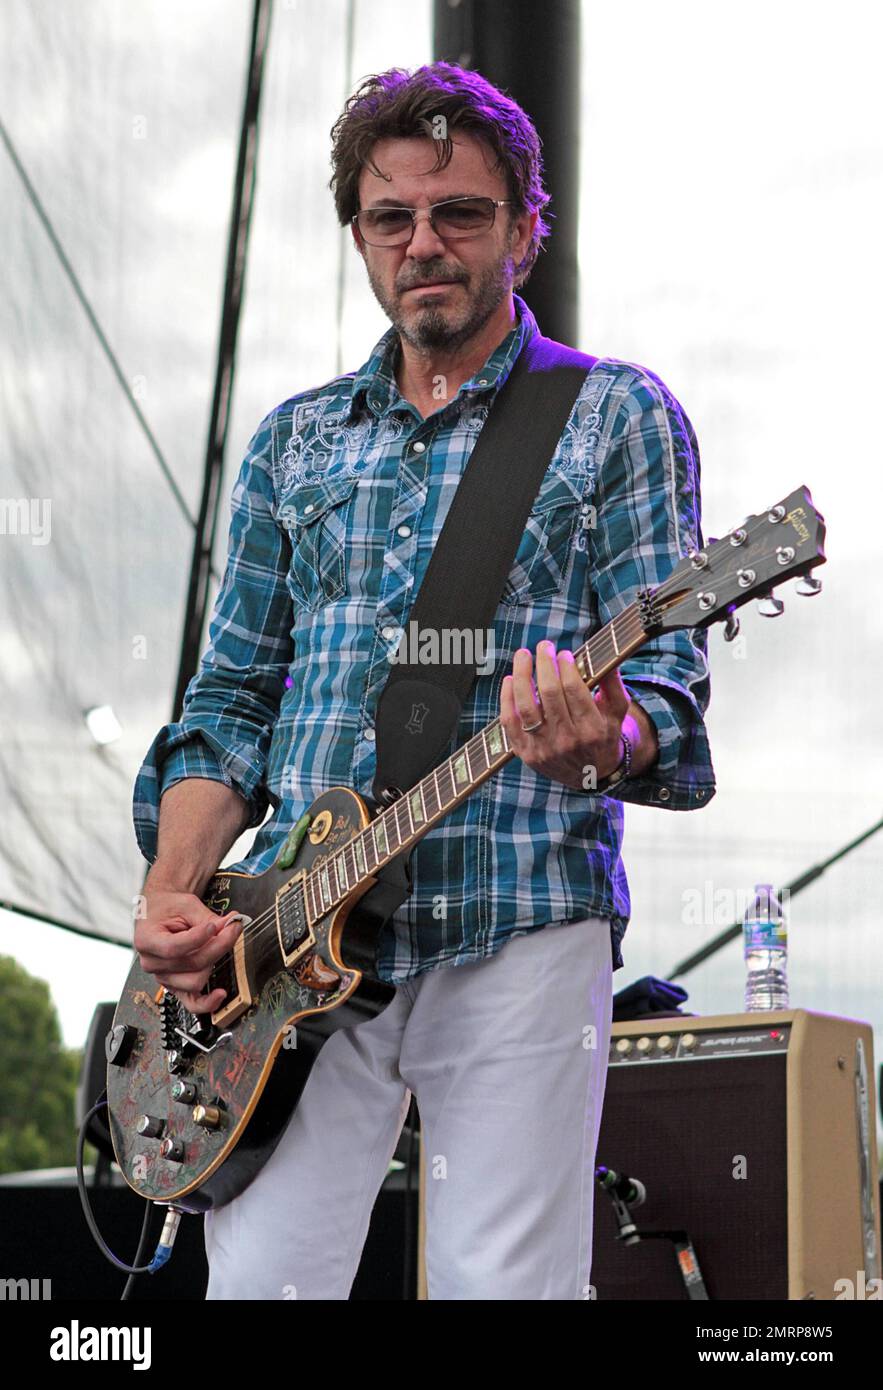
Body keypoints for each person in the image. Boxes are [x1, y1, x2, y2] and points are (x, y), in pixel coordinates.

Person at [132, 61, 716, 1300]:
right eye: (390, 218)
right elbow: (231, 703)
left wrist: (596, 739)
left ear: (522, 227)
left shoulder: (613, 417)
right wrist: (177, 892)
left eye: (458, 212)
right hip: (289, 946)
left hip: (519, 917)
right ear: (357, 234)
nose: (424, 244)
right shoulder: (295, 442)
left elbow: (664, 687)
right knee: (264, 1290)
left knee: (503, 1288)